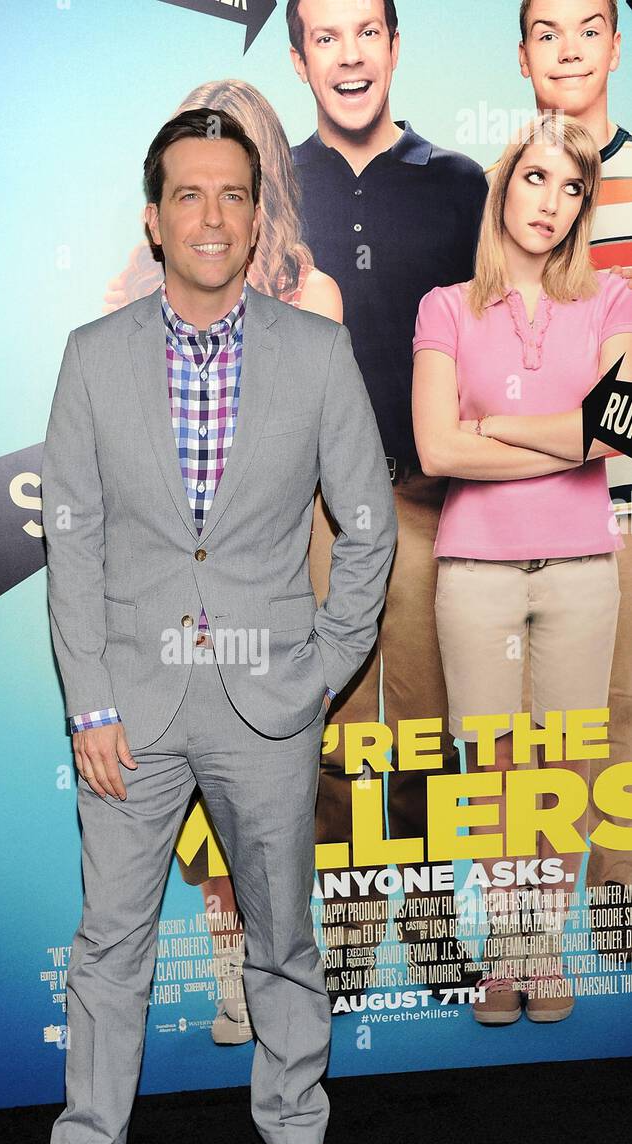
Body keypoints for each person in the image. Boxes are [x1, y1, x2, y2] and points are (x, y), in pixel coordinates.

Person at [9, 107, 397, 1144]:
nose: (214, 216)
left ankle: (295, 1137)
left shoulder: (317, 353)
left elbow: (368, 529)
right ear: (154, 214)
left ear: (258, 211)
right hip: (130, 709)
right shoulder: (93, 354)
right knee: (108, 946)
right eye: (190, 195)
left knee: (281, 936)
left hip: (269, 702)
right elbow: (71, 544)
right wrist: (89, 705)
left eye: (234, 194)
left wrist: (321, 673)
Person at [100, 77, 344, 1048]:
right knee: (196, 797)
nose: (212, 203)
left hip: (283, 577)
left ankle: (289, 974)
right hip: (168, 587)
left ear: (264, 176)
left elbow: (329, 458)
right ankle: (231, 968)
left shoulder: (313, 291)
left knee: (279, 797)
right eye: (192, 178)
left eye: (234, 168)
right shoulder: (128, 293)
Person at [286, 0, 490, 996]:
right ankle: (353, 933)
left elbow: (493, 333)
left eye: (367, 30)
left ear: (395, 47)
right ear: (298, 58)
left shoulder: (458, 184)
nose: (350, 53)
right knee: (330, 732)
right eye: (326, 35)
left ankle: (430, 922)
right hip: (308, 510)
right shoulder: (270, 181)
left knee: (420, 728)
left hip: (418, 499)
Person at [412, 113, 632, 1026]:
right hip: (477, 571)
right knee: (498, 769)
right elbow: (434, 447)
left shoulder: (612, 298)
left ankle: (549, 945)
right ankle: (515, 952)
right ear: (505, 187)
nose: (551, 202)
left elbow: (617, 428)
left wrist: (493, 431)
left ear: (584, 206)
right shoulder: (445, 306)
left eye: (572, 187)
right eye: (536, 179)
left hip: (584, 566)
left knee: (570, 769)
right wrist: (566, 438)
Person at [515, 0, 632, 948]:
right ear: (521, 55)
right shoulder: (503, 187)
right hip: (512, 522)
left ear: (617, 46)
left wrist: (496, 433)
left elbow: (620, 410)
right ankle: (537, 931)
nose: (568, 49)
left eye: (588, 28)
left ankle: (617, 907)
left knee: (624, 715)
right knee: (531, 737)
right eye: (547, 31)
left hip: (623, 509)